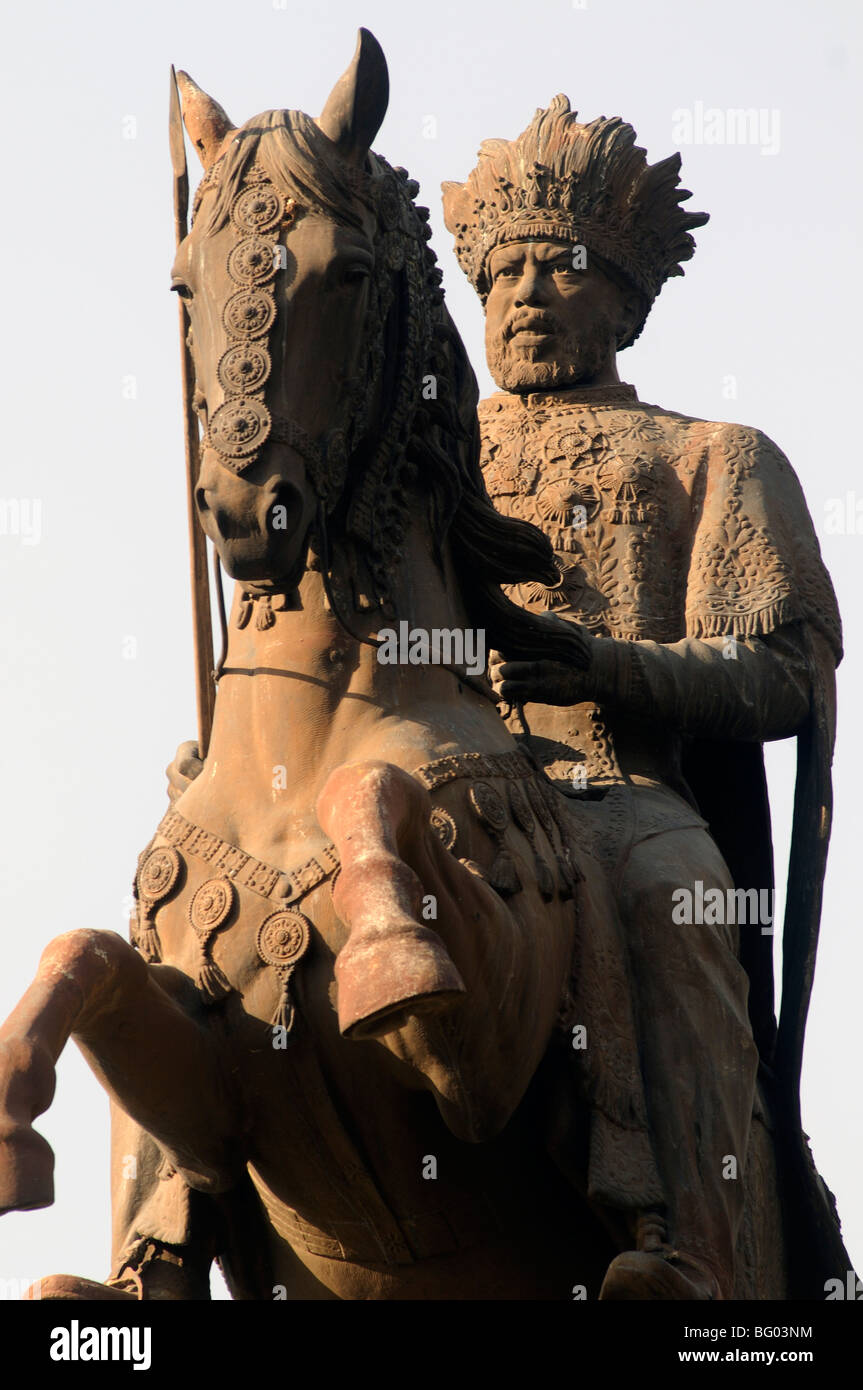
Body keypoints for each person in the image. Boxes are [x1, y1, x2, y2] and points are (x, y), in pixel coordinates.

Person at [440, 95, 846, 1299]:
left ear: (623, 297)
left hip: (615, 787)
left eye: (558, 270)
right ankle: (166, 1238)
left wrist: (609, 667)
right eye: (501, 272)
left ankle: (703, 1258)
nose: (522, 294)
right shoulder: (422, 450)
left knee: (673, 903)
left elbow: (782, 669)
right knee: (220, 884)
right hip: (429, 768)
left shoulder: (706, 454)